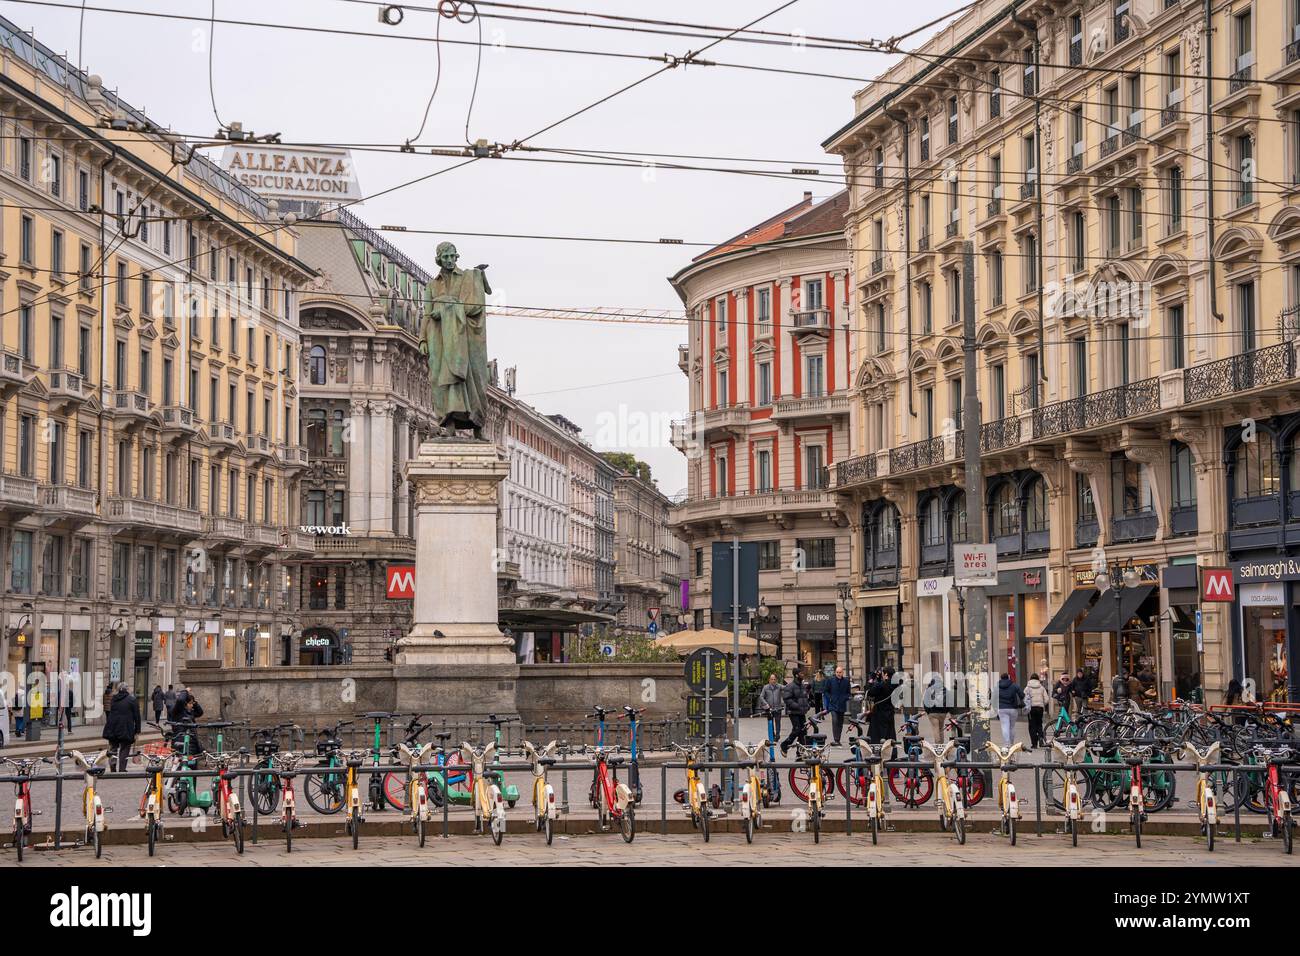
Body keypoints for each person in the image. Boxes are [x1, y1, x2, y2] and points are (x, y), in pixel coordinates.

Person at [102, 682, 140, 772]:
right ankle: (122, 769)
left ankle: (113, 766)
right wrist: (137, 730)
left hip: (113, 727)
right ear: (127, 689)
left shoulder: (114, 699)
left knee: (113, 747)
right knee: (125, 748)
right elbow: (137, 716)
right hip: (126, 727)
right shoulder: (132, 700)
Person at [779, 674, 810, 755]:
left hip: (802, 712)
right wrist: (796, 706)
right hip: (793, 712)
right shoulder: (790, 686)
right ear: (796, 675)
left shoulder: (803, 686)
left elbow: (805, 697)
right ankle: (784, 745)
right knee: (797, 730)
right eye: (800, 673)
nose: (802, 675)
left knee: (803, 732)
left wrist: (807, 705)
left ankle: (799, 753)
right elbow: (787, 699)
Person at [866, 668, 897, 743]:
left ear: (886, 674)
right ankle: (891, 751)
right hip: (890, 712)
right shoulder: (895, 685)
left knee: (877, 734)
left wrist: (871, 680)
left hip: (879, 713)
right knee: (890, 732)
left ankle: (877, 749)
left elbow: (870, 692)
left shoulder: (881, 685)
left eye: (883, 673)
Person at [824, 665, 852, 747]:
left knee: (840, 723)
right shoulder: (830, 680)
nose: (838, 674)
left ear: (842, 673)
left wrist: (845, 698)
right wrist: (830, 698)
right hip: (833, 705)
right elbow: (825, 691)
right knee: (835, 720)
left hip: (842, 705)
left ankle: (838, 739)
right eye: (837, 672)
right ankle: (836, 739)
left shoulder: (846, 681)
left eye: (840, 672)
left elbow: (848, 693)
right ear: (835, 673)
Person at [1023, 672, 1050, 749]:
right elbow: (1047, 699)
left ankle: (1034, 744)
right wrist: (1042, 704)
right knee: (1039, 724)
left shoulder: (1027, 688)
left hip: (1031, 708)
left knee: (1032, 726)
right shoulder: (1041, 688)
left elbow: (1024, 698)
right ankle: (1041, 738)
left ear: (1030, 679)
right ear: (1038, 679)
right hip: (1040, 708)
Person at [996, 673, 1024, 745]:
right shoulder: (1014, 685)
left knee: (1005, 726)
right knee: (1012, 727)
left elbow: (993, 698)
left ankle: (1007, 744)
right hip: (1013, 708)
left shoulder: (997, 686)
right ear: (1008, 677)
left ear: (1001, 678)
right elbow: (1022, 695)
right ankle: (1012, 743)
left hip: (1002, 709)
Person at [758, 673, 784, 741]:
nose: (773, 681)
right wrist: (765, 704)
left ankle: (777, 736)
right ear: (769, 680)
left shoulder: (779, 686)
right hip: (769, 709)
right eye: (772, 679)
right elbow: (761, 697)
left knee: (778, 722)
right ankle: (773, 735)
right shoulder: (766, 687)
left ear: (776, 680)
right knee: (770, 723)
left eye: (774, 679)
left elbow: (787, 688)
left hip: (778, 708)